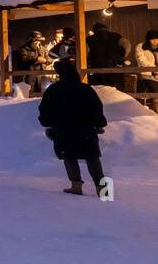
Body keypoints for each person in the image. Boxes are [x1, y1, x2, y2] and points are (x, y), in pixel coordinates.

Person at [38, 58, 108, 196]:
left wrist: (48, 123)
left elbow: (45, 110)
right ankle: (103, 189)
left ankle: (76, 185)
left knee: (69, 156)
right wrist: (99, 123)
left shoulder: (54, 90)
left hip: (63, 129)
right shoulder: (85, 89)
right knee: (92, 157)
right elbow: (97, 107)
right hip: (86, 129)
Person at [86, 21, 126, 85]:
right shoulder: (117, 36)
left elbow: (86, 52)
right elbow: (127, 46)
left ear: (94, 30)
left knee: (100, 90)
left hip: (97, 70)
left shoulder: (89, 39)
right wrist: (121, 58)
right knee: (115, 90)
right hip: (115, 68)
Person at [135, 30, 158, 94]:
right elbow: (141, 60)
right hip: (146, 74)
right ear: (148, 39)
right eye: (152, 39)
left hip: (157, 75)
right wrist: (154, 68)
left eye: (157, 39)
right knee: (156, 91)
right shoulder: (141, 47)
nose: (155, 41)